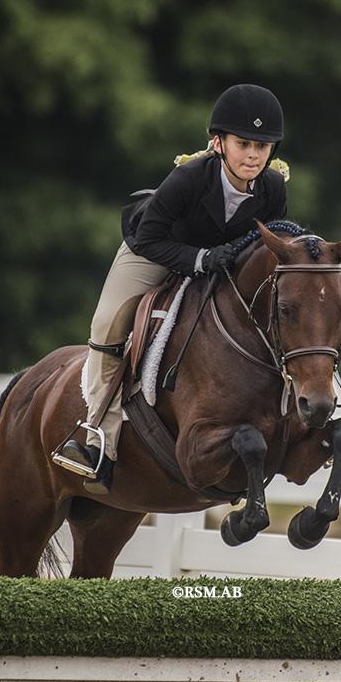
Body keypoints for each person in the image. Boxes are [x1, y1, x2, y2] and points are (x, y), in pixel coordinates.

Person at [56, 83, 287, 494]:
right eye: (244, 144)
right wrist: (200, 259)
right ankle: (97, 439)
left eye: (262, 146)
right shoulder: (188, 178)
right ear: (218, 142)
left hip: (221, 263)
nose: (254, 155)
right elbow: (149, 239)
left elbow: (269, 247)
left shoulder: (273, 187)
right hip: (155, 250)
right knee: (108, 322)